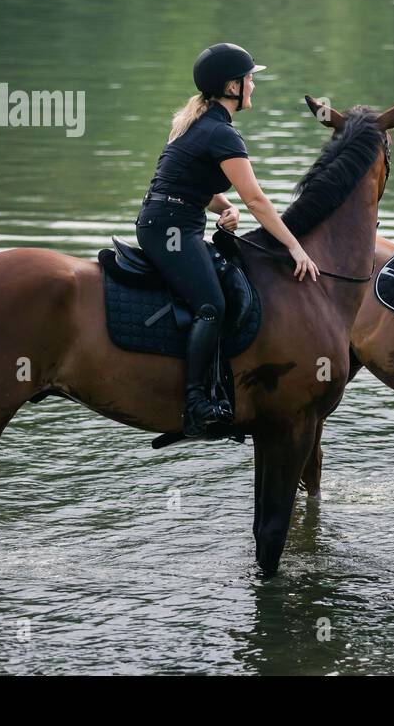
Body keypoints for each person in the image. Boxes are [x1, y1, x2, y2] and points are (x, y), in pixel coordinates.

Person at [136, 43, 319, 437]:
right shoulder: (221, 133)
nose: (253, 84)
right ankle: (197, 401)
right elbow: (256, 200)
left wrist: (220, 208)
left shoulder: (198, 124)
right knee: (210, 305)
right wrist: (294, 245)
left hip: (169, 220)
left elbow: (190, 185)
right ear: (232, 86)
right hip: (171, 229)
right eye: (250, 78)